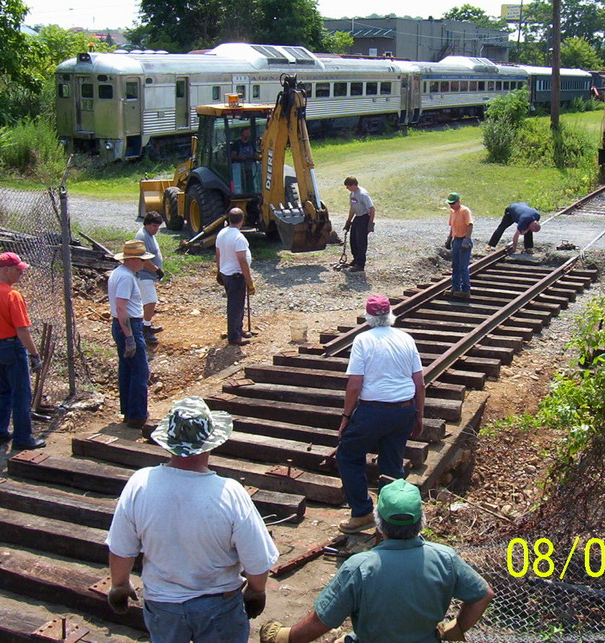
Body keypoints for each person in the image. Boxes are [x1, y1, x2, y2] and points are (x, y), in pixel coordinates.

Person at [106, 396, 279, 643]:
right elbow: (257, 561)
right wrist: (256, 591)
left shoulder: (140, 484)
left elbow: (121, 548)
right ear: (211, 444)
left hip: (163, 605)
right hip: (219, 606)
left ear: (168, 443)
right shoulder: (230, 493)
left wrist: (120, 584)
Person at [259, 479, 494, 643]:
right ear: (421, 521)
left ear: (379, 523)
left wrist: (286, 637)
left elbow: (322, 621)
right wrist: (457, 628)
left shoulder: (360, 567)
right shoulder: (445, 558)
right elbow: (483, 595)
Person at [335, 294, 425, 534]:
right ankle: (391, 518)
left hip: (373, 411)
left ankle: (362, 512)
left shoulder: (363, 340)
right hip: (404, 410)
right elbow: (419, 382)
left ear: (368, 317)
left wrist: (346, 417)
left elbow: (354, 384)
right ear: (390, 315)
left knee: (347, 455)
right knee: (392, 465)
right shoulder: (406, 339)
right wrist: (419, 416)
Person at [0, 252, 46, 450]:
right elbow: (22, 329)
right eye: (18, 270)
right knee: (21, 394)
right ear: (5, 270)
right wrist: (34, 354)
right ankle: (23, 438)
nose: (21, 274)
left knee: (4, 391)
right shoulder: (12, 295)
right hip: (11, 347)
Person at [108, 240, 153, 429]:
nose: (143, 264)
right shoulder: (126, 277)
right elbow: (121, 307)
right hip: (129, 326)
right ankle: (137, 415)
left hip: (122, 326)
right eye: (142, 260)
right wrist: (129, 337)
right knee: (140, 371)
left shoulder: (119, 274)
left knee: (127, 369)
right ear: (133, 259)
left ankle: (128, 411)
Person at [216, 208, 256, 346]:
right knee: (235, 307)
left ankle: (238, 329)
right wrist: (249, 281)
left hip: (226, 273)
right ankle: (234, 337)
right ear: (242, 220)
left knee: (238, 305)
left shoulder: (222, 232)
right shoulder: (239, 238)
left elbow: (218, 253)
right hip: (236, 276)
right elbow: (242, 261)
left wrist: (219, 270)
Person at [135, 211, 166, 346]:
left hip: (148, 275)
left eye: (158, 226)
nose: (156, 229)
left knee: (148, 301)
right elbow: (142, 259)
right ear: (147, 224)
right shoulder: (142, 237)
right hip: (143, 275)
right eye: (154, 226)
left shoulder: (148, 234)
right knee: (151, 301)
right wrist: (156, 270)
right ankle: (145, 329)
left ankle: (146, 325)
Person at [444, 192, 474, 300]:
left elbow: (470, 225)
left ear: (458, 202)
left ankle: (466, 290)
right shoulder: (452, 212)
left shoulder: (465, 211)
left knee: (463, 267)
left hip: (463, 240)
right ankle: (455, 288)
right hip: (456, 241)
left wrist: (467, 239)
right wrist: (449, 239)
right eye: (450, 203)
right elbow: (452, 226)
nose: (451, 205)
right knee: (455, 266)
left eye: (453, 203)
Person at [343, 176, 375, 273]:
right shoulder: (353, 194)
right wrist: (349, 221)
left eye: (348, 186)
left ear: (353, 185)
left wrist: (370, 223)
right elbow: (352, 208)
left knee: (361, 242)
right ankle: (356, 259)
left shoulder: (363, 194)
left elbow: (372, 209)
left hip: (364, 218)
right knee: (353, 240)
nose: (347, 188)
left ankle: (360, 264)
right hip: (357, 218)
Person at [231, 128, 258, 193]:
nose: (248, 135)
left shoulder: (251, 143)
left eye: (249, 133)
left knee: (252, 184)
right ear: (242, 134)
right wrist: (241, 157)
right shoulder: (236, 144)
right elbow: (232, 156)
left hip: (251, 168)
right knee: (242, 184)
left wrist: (257, 156)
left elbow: (255, 153)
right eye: (246, 133)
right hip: (239, 169)